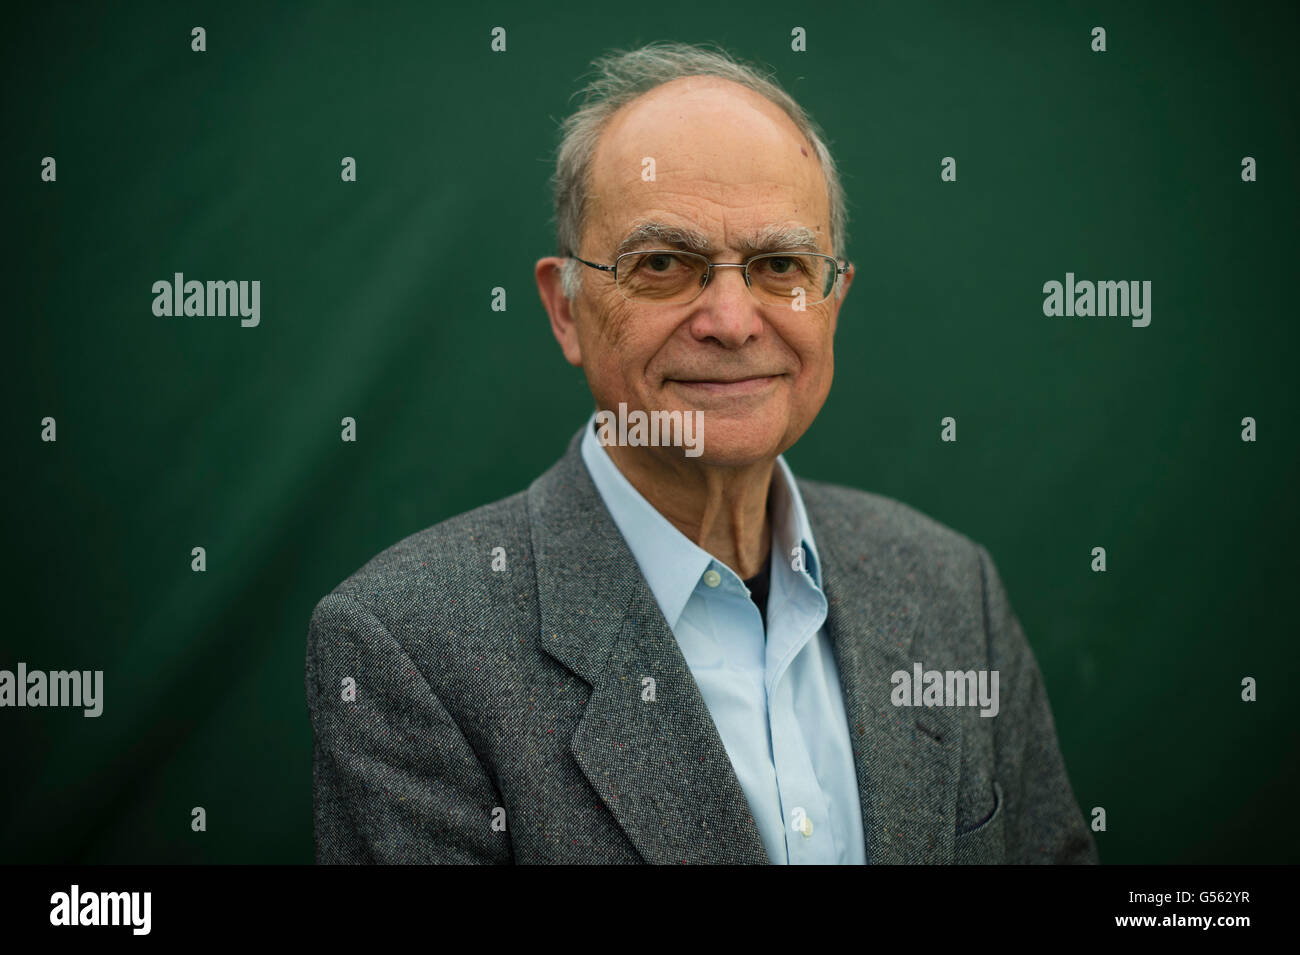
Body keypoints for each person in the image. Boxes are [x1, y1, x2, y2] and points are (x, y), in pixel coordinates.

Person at [305, 41, 1097, 864]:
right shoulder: (408, 644)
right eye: (662, 264)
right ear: (565, 309)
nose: (732, 319)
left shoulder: (950, 589)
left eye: (781, 264)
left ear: (835, 300)